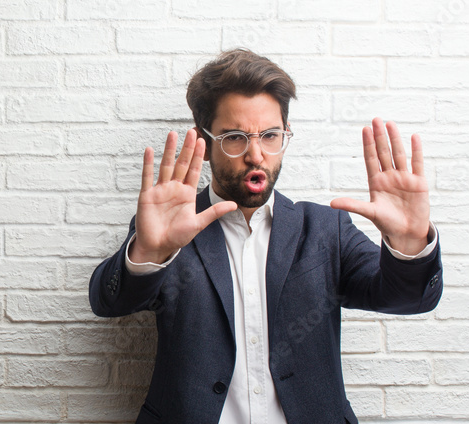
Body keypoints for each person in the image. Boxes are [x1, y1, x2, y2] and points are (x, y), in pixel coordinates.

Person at [88, 49, 442, 423]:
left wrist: (409, 244)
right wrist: (149, 252)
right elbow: (108, 302)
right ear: (206, 144)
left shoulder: (325, 230)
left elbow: (409, 299)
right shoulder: (170, 227)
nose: (256, 155)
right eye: (236, 137)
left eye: (270, 135)